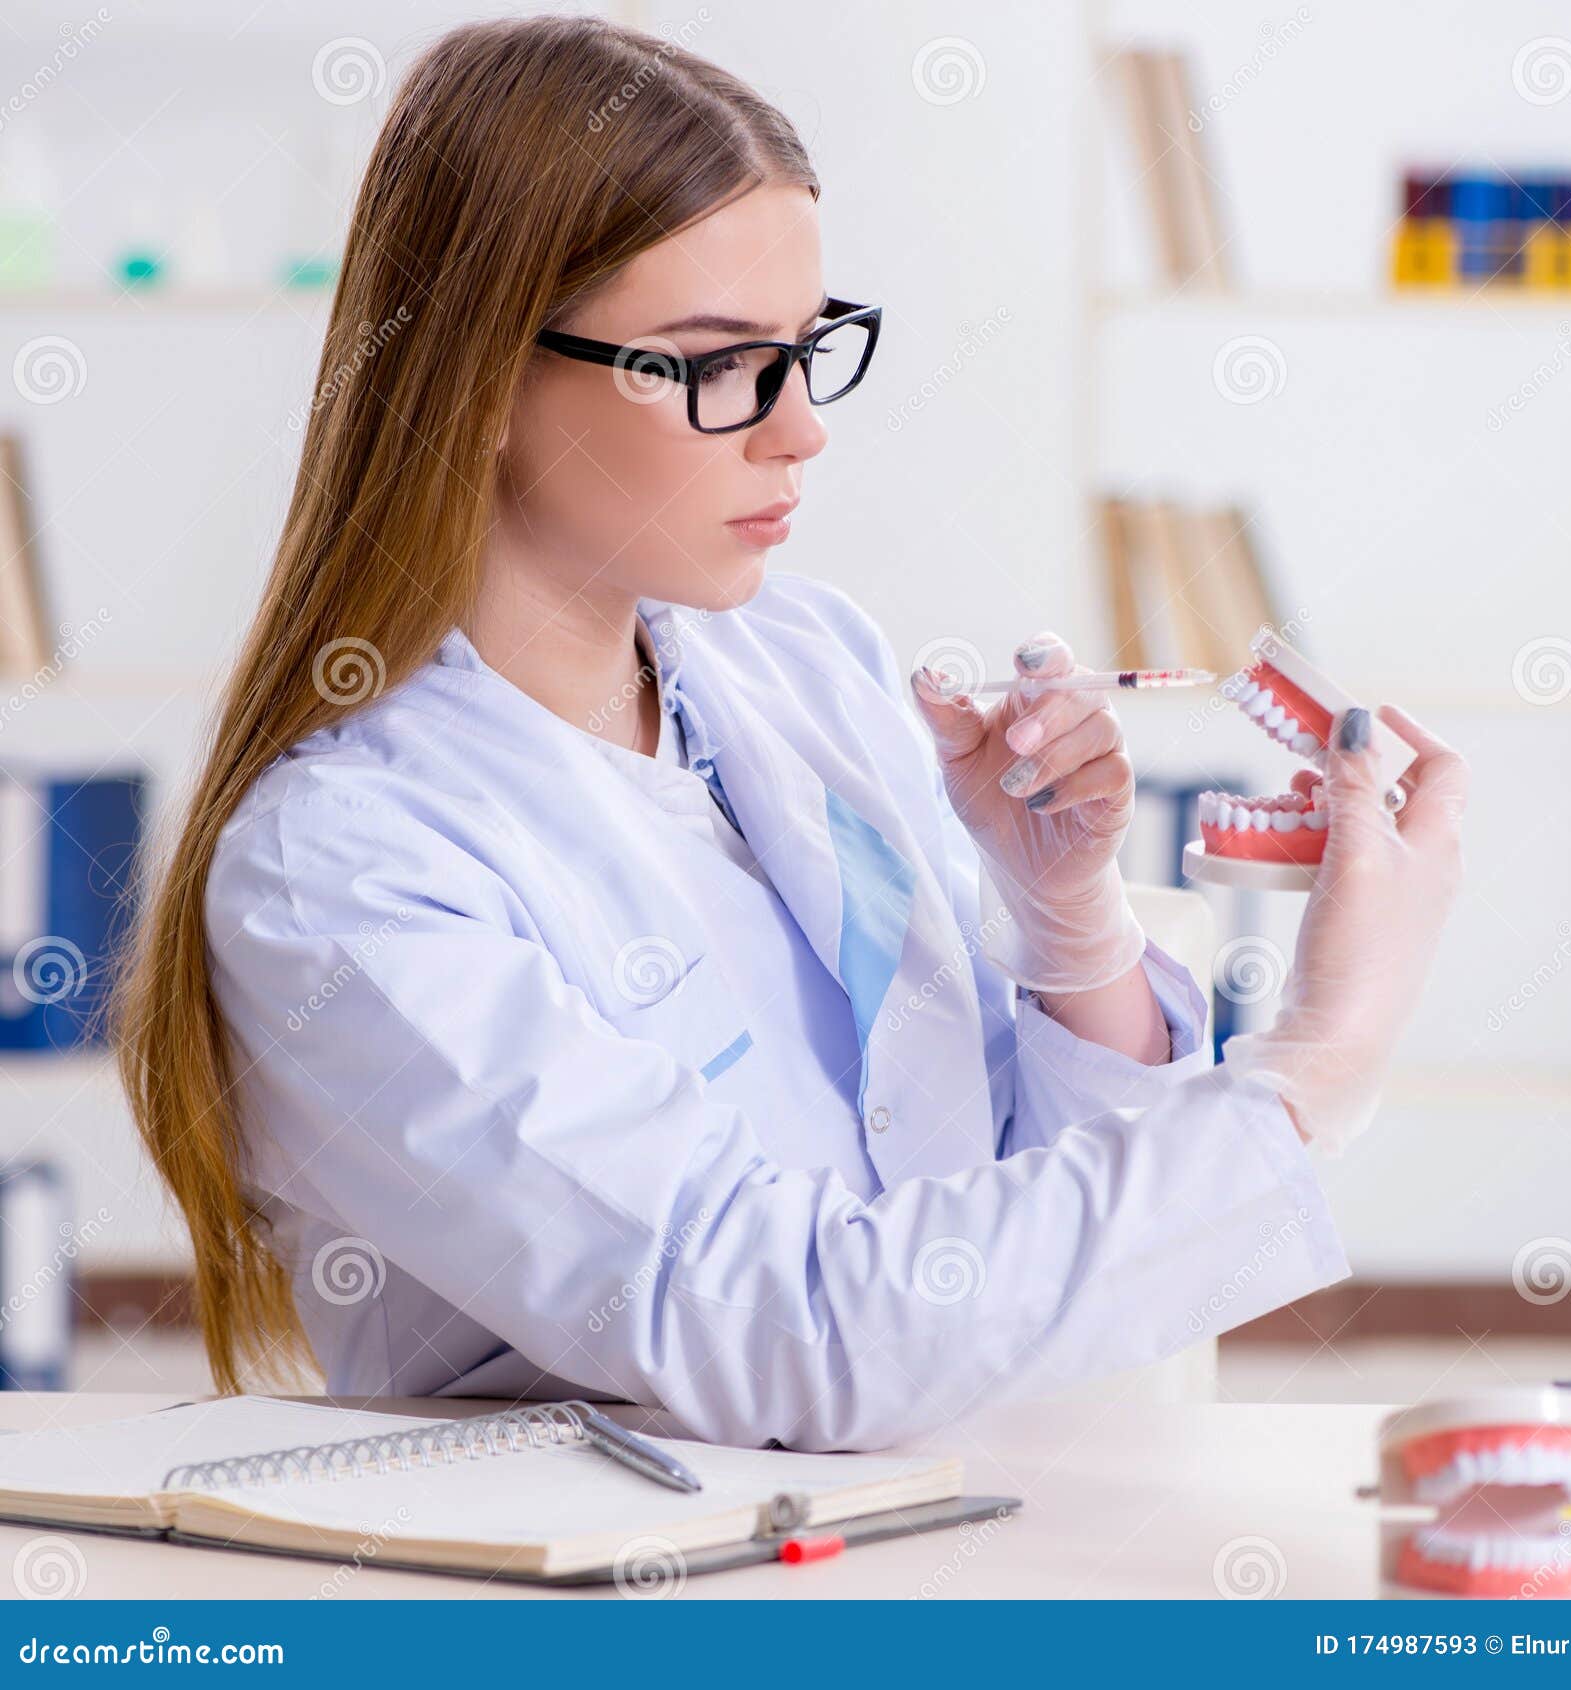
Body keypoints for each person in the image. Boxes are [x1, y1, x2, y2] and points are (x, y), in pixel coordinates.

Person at [113, 15, 1468, 1451]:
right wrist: (1320, 1062)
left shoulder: (806, 663)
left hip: (967, 1518)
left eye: (811, 349)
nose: (800, 429)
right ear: (483, 378)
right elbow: (793, 1328)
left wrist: (1072, 936)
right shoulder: (341, 872)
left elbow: (1018, 1242)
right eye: (717, 363)